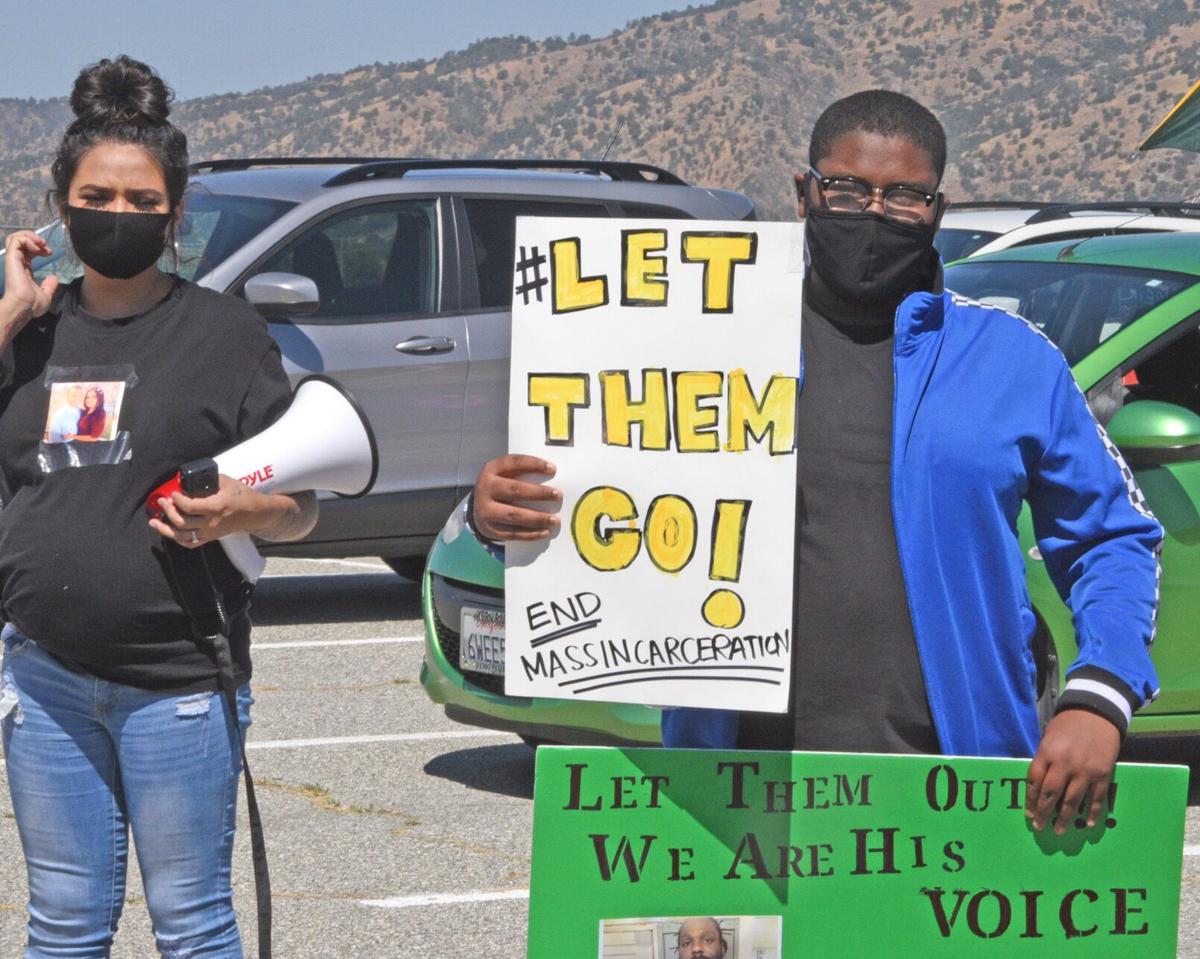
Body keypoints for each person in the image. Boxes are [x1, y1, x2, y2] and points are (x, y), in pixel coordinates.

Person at [469, 90, 1162, 839]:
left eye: (903, 195)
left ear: (937, 207)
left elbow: (1114, 538)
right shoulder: (703, 350)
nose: (873, 213)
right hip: (738, 797)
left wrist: (1100, 694)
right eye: (845, 188)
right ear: (804, 194)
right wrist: (501, 511)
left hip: (955, 789)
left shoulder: (1013, 360)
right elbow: (599, 490)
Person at [0, 55, 317, 957]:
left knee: (193, 925)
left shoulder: (227, 336)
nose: (121, 216)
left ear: (176, 215)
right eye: (98, 195)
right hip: (46, 679)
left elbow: (303, 507)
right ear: (59, 203)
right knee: (60, 927)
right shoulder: (32, 331)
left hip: (180, 686)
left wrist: (243, 514)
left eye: (145, 203)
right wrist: (10, 312)